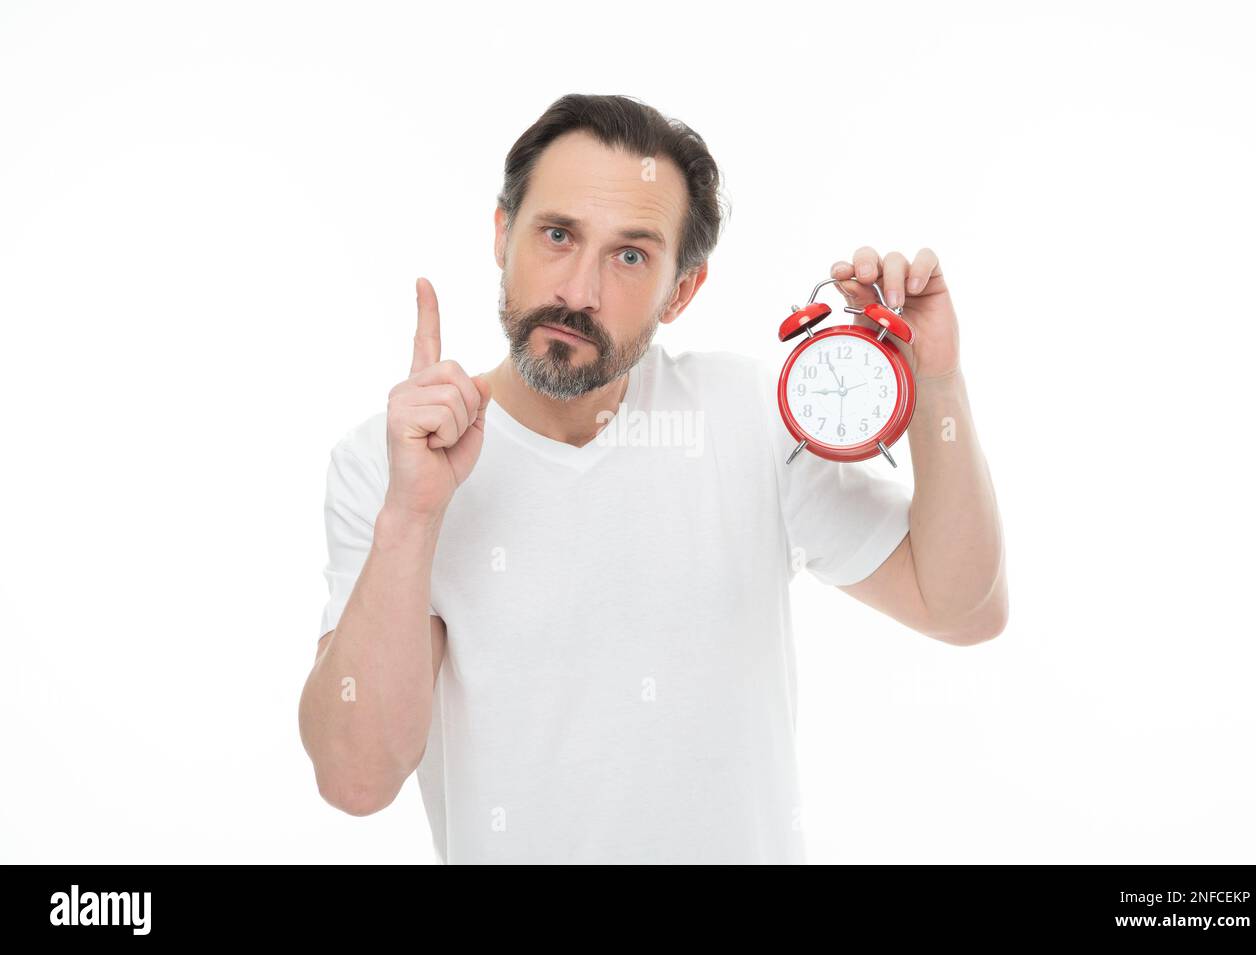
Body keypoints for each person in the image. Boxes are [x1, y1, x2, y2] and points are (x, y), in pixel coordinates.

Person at [297, 93, 1008, 864]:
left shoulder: (749, 418)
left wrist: (936, 381)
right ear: (503, 234)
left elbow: (962, 606)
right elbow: (356, 777)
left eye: (630, 255)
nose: (578, 291)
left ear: (682, 290)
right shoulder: (391, 460)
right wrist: (413, 518)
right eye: (558, 234)